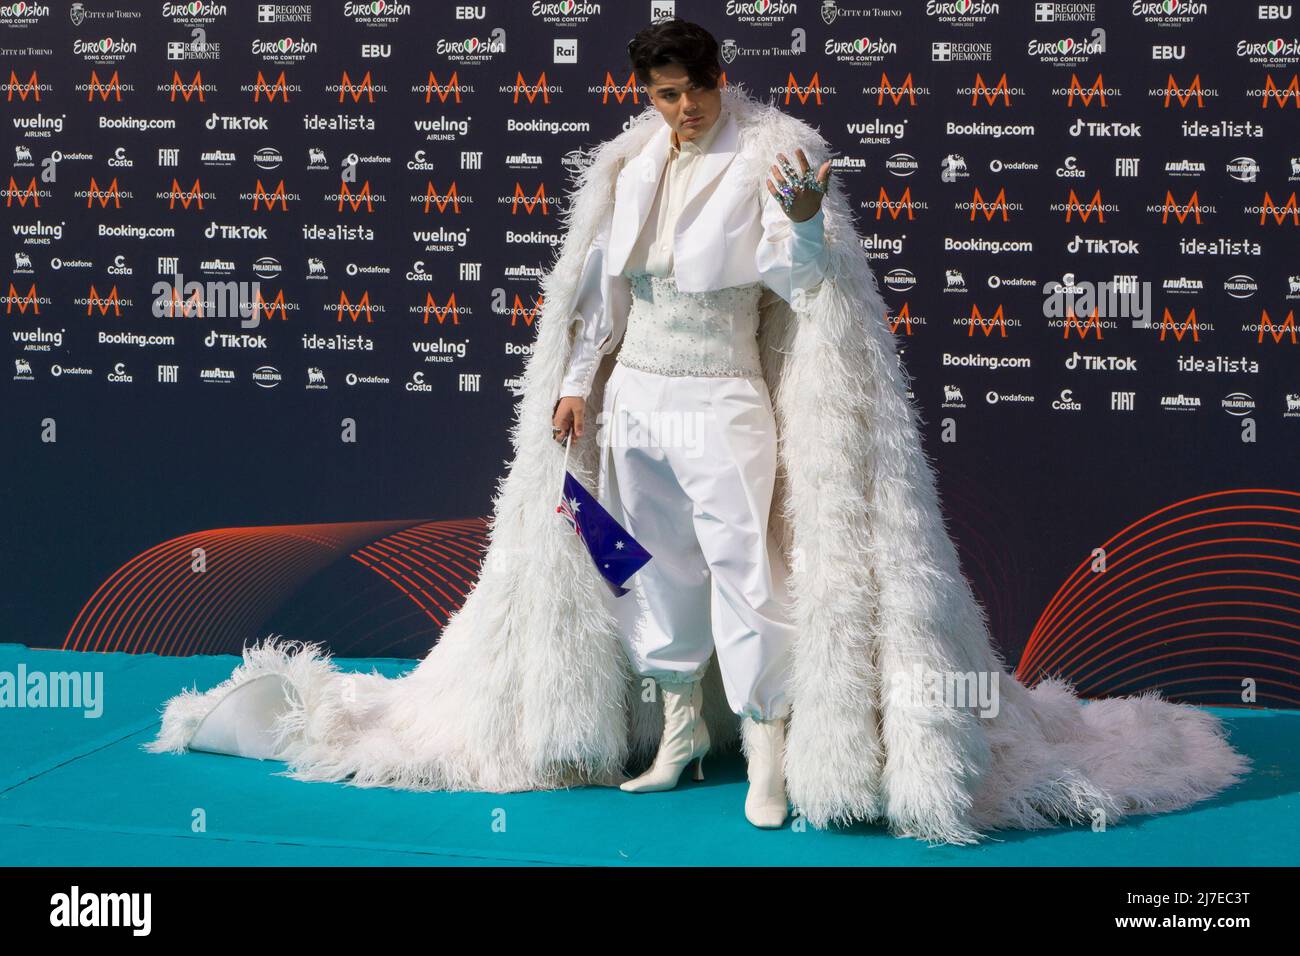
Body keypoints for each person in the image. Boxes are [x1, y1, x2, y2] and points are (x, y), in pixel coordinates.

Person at [145, 19, 1250, 846]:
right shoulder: (629, 166)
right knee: (645, 572)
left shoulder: (772, 152)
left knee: (744, 571)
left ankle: (767, 747)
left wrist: (808, 220)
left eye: (691, 91)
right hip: (634, 404)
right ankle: (679, 731)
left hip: (725, 396)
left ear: (720, 78)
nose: (679, 109)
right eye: (662, 95)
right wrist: (579, 382)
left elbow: (802, 282)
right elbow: (600, 298)